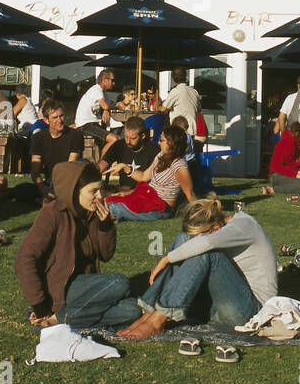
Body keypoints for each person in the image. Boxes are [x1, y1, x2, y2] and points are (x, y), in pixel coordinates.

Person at [119, 195, 277, 339]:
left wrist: (165, 259)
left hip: (251, 311)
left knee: (208, 252)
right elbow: (199, 241)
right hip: (218, 305)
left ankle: (156, 321)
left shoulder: (244, 225)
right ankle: (150, 311)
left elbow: (207, 243)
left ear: (215, 227)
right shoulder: (220, 229)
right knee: (184, 239)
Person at [14, 160, 142, 329]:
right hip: (61, 287)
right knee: (119, 282)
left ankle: (65, 317)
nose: (100, 196)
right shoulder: (52, 214)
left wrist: (105, 226)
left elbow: (105, 255)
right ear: (74, 191)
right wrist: (40, 305)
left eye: (100, 189)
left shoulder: (92, 213)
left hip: (87, 285)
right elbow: (24, 259)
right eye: (93, 191)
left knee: (132, 310)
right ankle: (58, 317)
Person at [106, 125, 195, 221]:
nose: (158, 142)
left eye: (161, 140)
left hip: (160, 208)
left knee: (113, 207)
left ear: (171, 143)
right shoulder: (161, 156)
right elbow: (143, 177)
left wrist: (200, 215)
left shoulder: (179, 165)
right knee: (110, 199)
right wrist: (125, 167)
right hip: (146, 198)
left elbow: (189, 193)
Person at [23, 99, 82, 201]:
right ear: (46, 120)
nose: (60, 120)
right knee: (21, 190)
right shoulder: (38, 137)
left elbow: (70, 167)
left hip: (69, 180)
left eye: (61, 116)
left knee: (83, 163)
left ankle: (50, 197)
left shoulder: (75, 135)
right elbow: (35, 171)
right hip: (49, 181)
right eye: (55, 117)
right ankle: (49, 196)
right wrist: (42, 189)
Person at [101, 116, 159, 191]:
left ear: (143, 136)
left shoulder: (154, 150)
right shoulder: (119, 145)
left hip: (144, 192)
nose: (128, 141)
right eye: (126, 137)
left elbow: (146, 178)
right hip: (122, 190)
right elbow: (103, 164)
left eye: (133, 138)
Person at [75, 70, 120, 155]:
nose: (114, 83)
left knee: (118, 138)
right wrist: (115, 106)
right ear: (104, 80)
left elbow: (107, 106)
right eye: (112, 80)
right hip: (85, 125)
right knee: (113, 139)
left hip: (93, 124)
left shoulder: (104, 94)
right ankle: (101, 166)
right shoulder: (96, 89)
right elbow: (106, 106)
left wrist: (106, 110)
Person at [160, 68, 201, 133]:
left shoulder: (176, 91)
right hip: (192, 130)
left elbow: (162, 109)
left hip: (180, 131)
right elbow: (199, 109)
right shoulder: (194, 91)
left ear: (173, 78)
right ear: (185, 77)